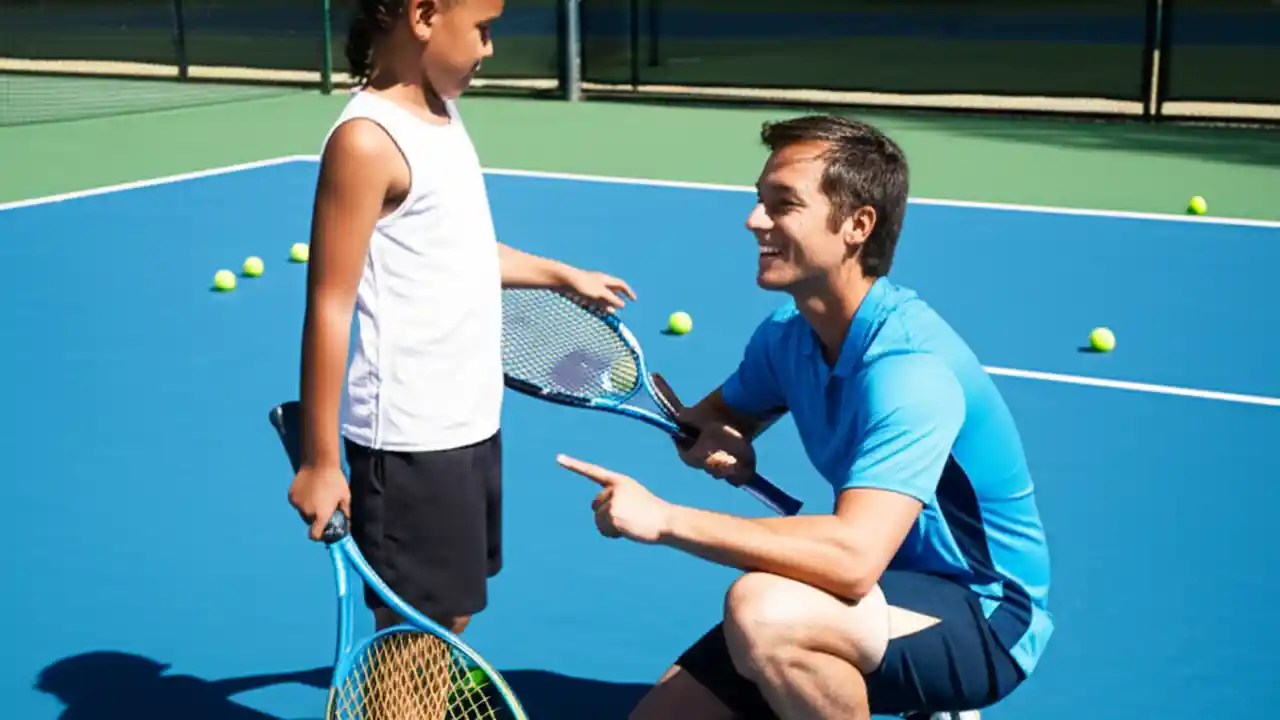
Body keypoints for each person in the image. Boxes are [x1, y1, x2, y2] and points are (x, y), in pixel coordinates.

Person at [556, 114, 1052, 720]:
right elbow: (714, 420)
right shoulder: (790, 336)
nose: (754, 220)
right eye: (759, 201)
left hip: (980, 613)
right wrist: (721, 436)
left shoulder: (911, 372)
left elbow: (849, 560)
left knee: (762, 611)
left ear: (856, 225)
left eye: (782, 205)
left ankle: (938, 701)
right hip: (873, 592)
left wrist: (663, 519)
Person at [286, 0, 635, 638]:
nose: (490, 48)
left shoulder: (442, 116)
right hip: (411, 437)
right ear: (422, 15)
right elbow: (329, 304)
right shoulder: (366, 141)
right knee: (419, 627)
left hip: (469, 421)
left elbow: (463, 249)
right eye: (484, 30)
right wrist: (320, 459)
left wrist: (561, 274)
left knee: (451, 613)